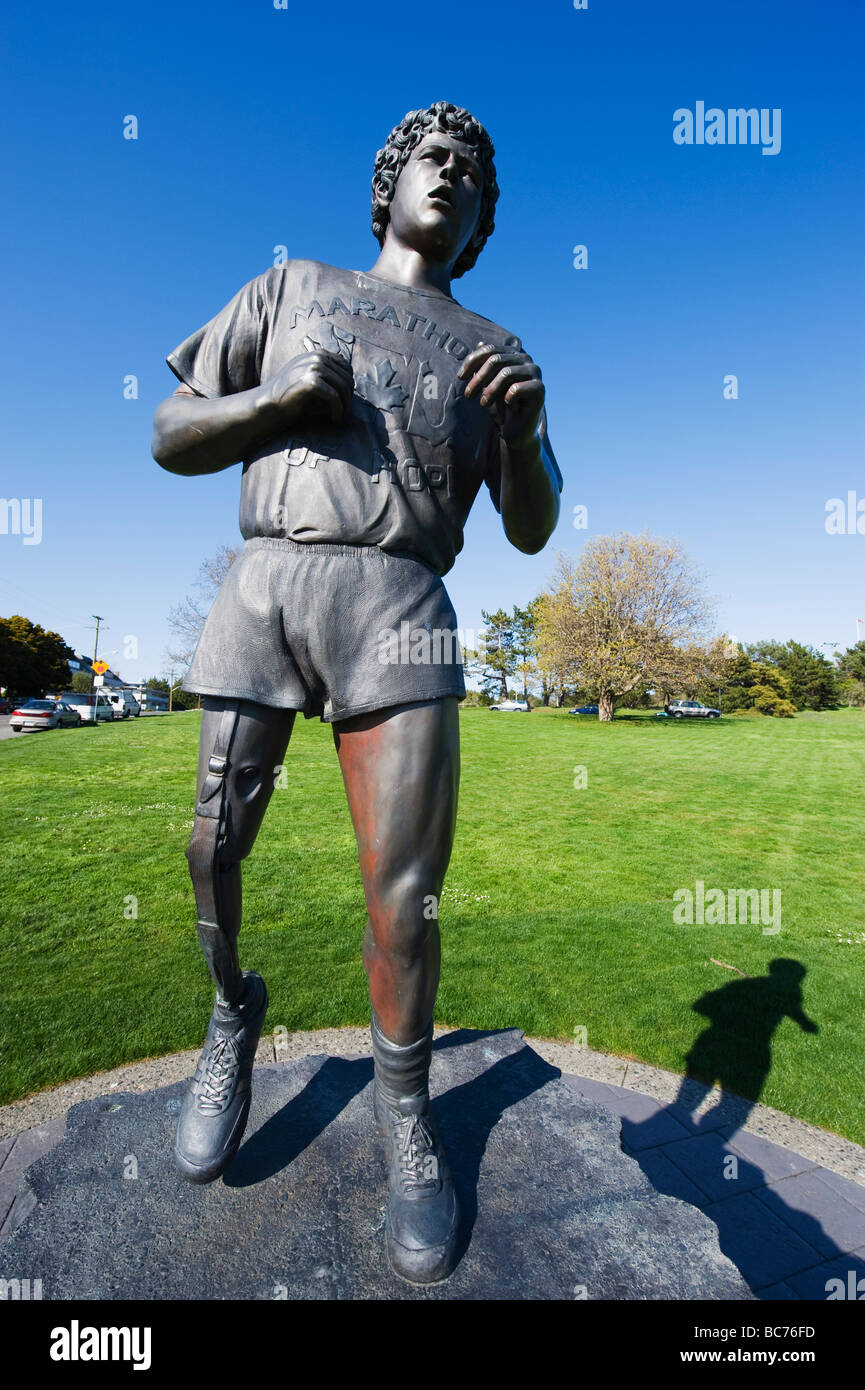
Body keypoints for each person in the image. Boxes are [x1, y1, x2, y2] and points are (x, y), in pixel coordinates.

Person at [151, 100, 562, 1285]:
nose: (453, 175)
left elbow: (531, 535)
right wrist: (278, 405)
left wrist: (526, 440)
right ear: (386, 185)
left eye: (473, 173)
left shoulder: (496, 351)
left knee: (404, 887)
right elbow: (172, 432)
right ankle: (233, 1011)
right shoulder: (292, 289)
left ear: (480, 220)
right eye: (432, 158)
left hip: (402, 605)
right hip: (269, 578)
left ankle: (404, 1111)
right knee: (209, 845)